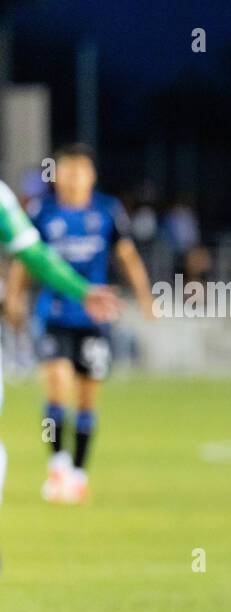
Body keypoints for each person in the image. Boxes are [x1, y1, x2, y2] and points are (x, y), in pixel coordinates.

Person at [5, 144, 154, 504]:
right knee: (57, 384)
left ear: (91, 175)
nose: (72, 178)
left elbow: (127, 255)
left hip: (93, 316)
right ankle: (57, 464)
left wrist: (145, 297)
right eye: (66, 171)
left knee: (87, 397)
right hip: (53, 314)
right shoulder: (42, 210)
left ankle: (79, 473)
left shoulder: (107, 211)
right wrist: (14, 296)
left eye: (79, 171)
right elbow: (27, 256)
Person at [0, 176, 119, 554]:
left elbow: (32, 255)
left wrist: (83, 292)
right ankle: (61, 466)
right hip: (54, 319)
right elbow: (34, 254)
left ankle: (71, 470)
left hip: (83, 325)